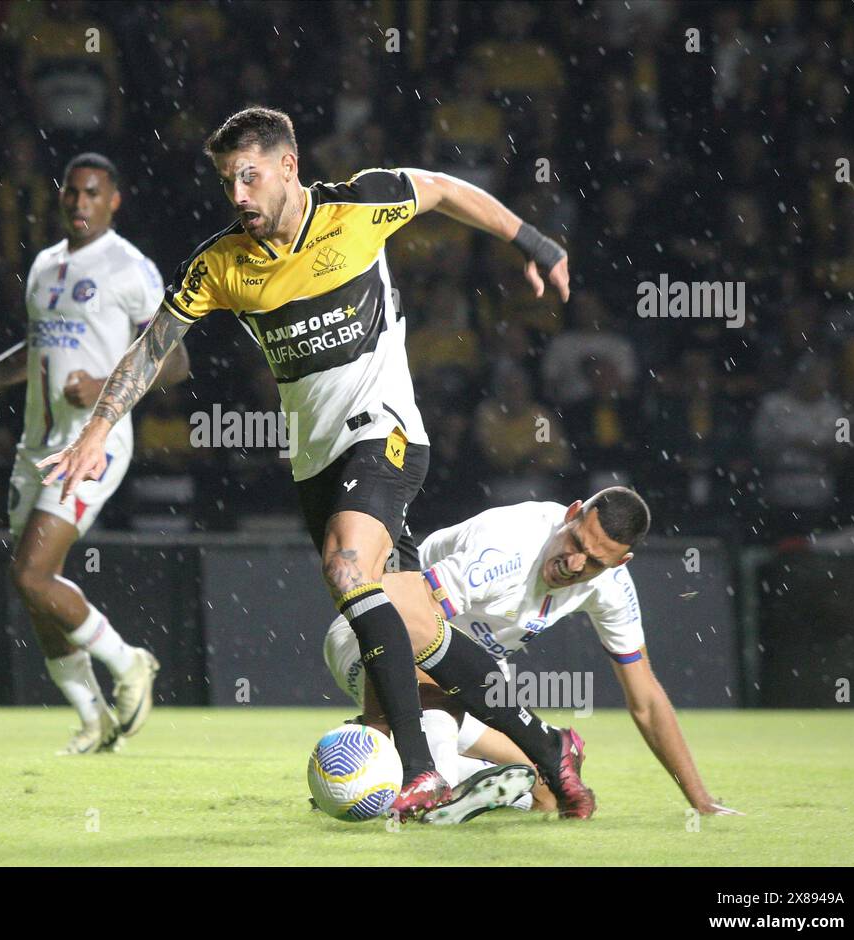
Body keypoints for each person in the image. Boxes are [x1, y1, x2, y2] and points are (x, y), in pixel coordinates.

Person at [38, 106, 571, 815]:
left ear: (288, 165)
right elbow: (156, 342)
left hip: (385, 435)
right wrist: (101, 427)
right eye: (228, 181)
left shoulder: (360, 204)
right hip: (317, 464)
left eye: (249, 176)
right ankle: (547, 749)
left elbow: (442, 187)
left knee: (346, 567)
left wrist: (531, 240)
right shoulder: (223, 262)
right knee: (412, 628)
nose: (238, 195)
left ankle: (420, 770)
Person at [0, 153, 188, 754]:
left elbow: (174, 360)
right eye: (71, 193)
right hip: (34, 446)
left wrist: (102, 389)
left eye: (92, 193)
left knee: (31, 572)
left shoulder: (130, 267)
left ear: (113, 200)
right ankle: (93, 720)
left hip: (93, 442)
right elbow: (32, 353)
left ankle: (130, 665)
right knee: (36, 589)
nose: (79, 203)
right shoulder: (44, 266)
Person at [324, 487, 743, 819]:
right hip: (370, 640)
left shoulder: (611, 586)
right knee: (435, 773)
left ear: (621, 562)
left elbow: (646, 700)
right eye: (575, 541)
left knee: (544, 790)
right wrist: (379, 729)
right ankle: (401, 769)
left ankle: (419, 776)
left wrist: (699, 799)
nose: (574, 563)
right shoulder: (507, 547)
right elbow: (400, 623)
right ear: (571, 512)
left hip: (471, 682)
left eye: (594, 561)